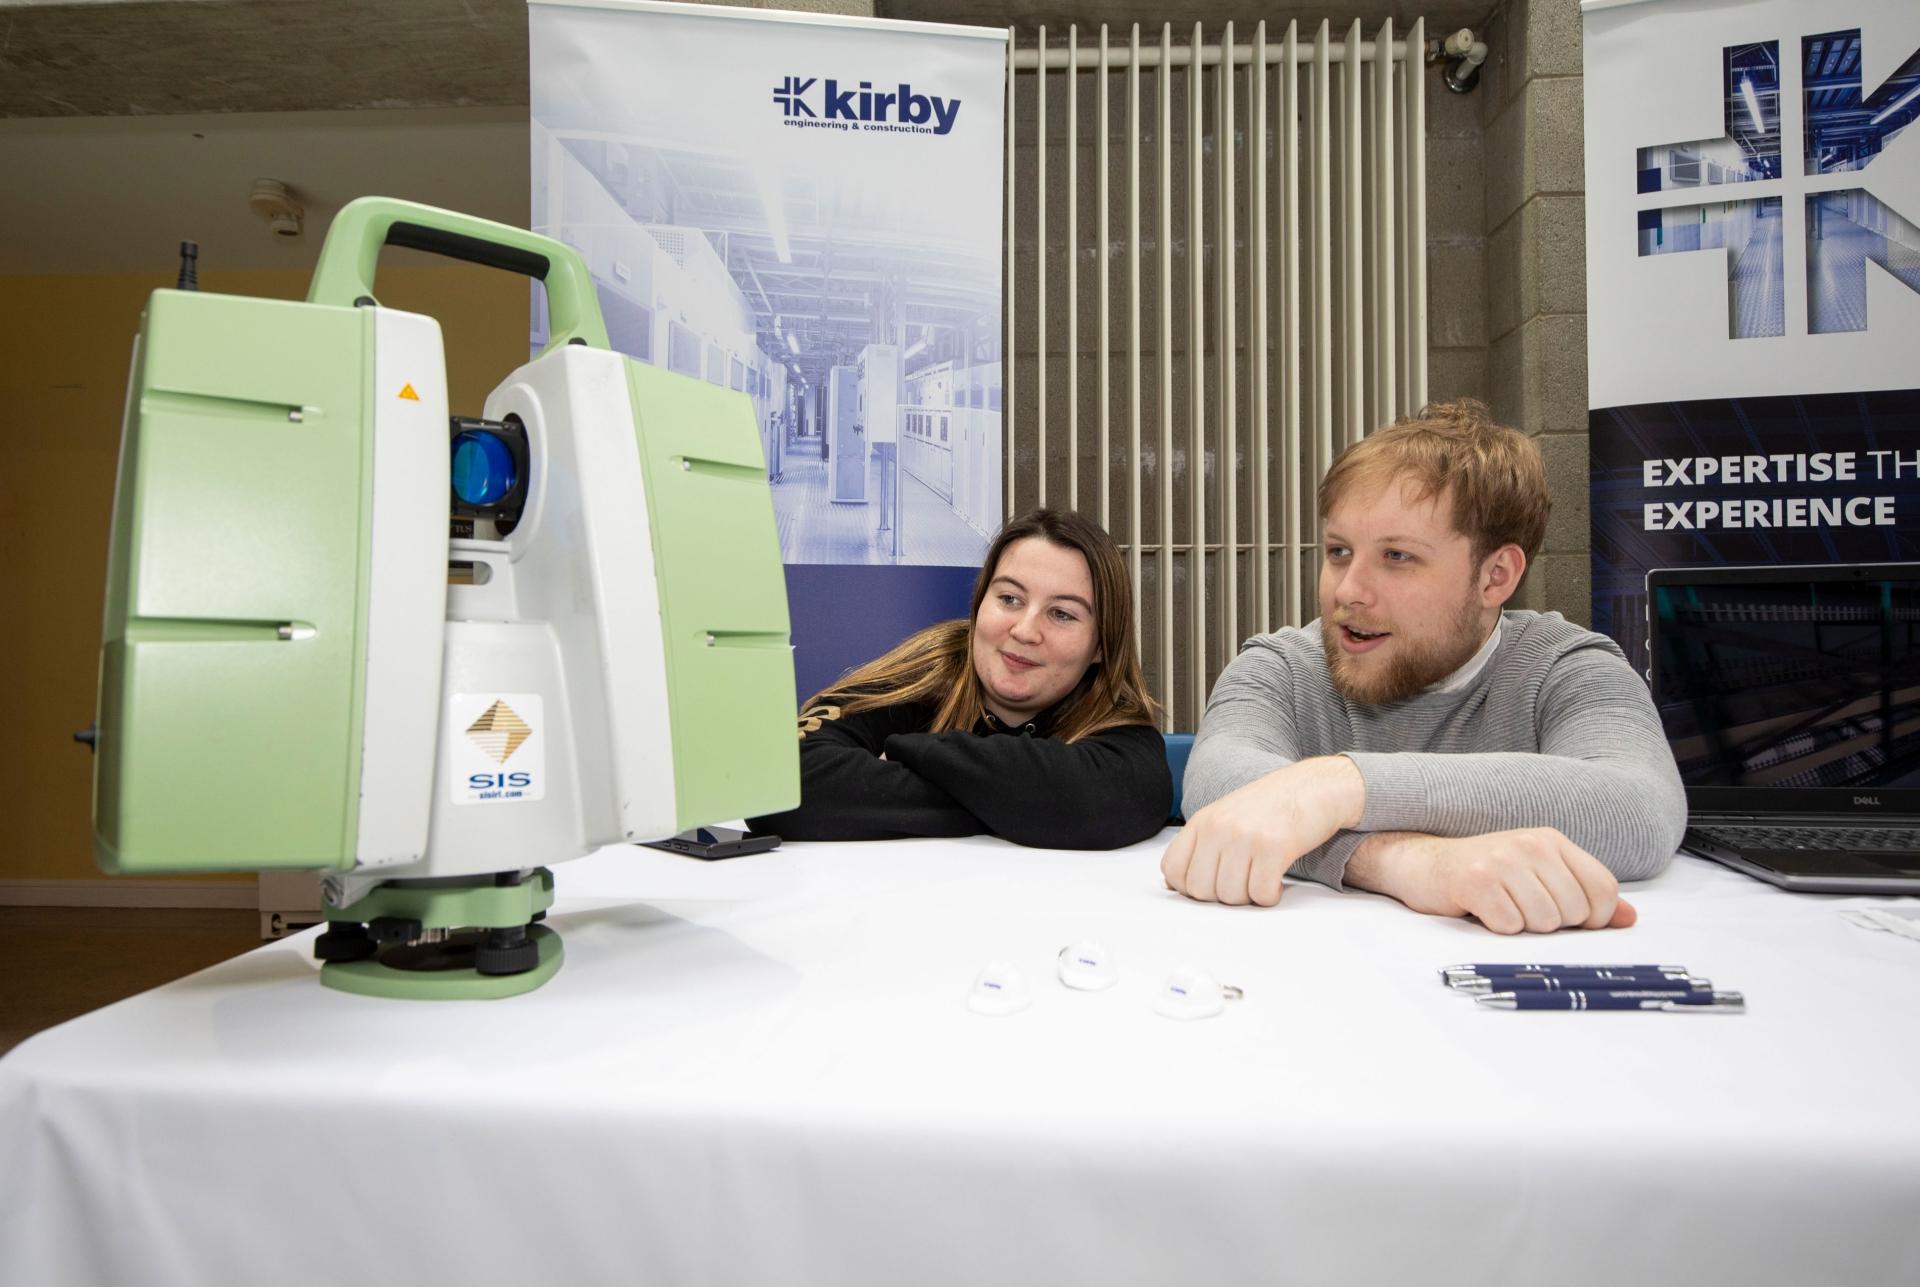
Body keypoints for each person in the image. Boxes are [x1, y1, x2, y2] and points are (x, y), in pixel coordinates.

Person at [1164, 399, 1687, 933]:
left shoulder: (1566, 667)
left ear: (1495, 576)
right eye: (1339, 551)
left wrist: (1339, 787)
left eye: (1397, 556)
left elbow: (1638, 810)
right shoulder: (1283, 666)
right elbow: (1214, 792)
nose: (1347, 591)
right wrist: (1410, 863)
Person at [751, 509, 1170, 849]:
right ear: (978, 604)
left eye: (1062, 613)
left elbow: (1115, 801)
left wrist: (915, 752)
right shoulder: (917, 676)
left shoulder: (1114, 721)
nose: (1025, 630)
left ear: (1100, 646)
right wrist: (1020, 805)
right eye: (1009, 598)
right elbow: (778, 779)